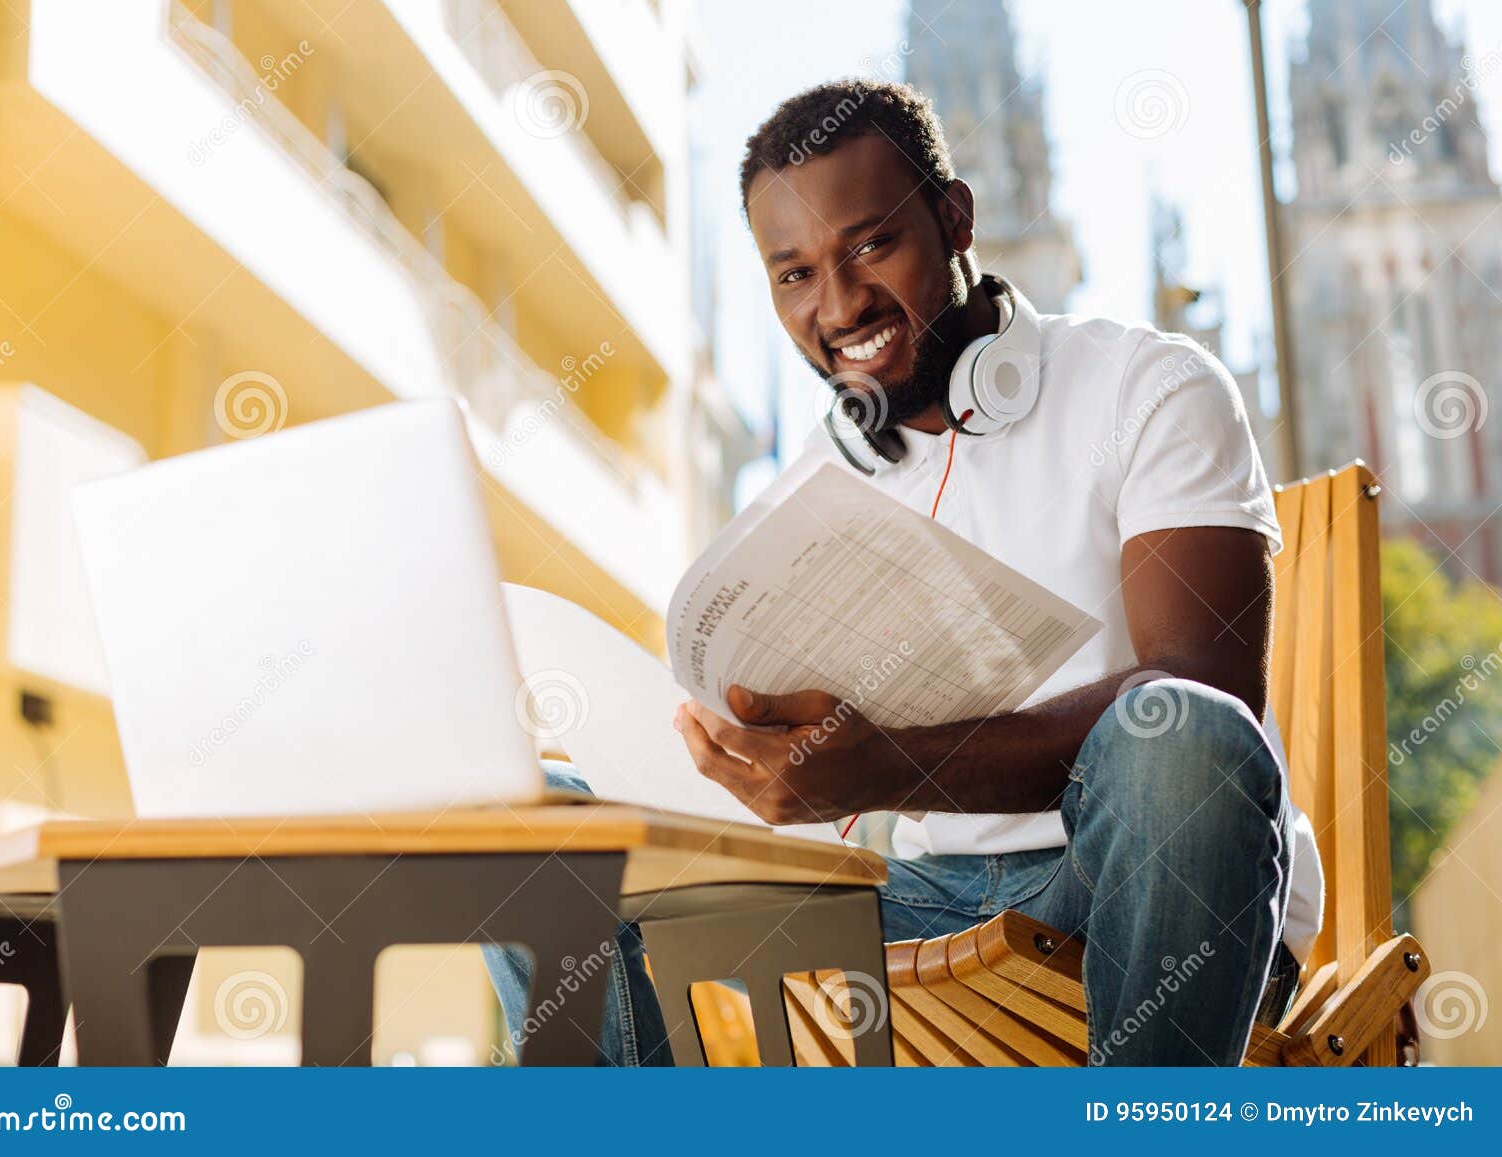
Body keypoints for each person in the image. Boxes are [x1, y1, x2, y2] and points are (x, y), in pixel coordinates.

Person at [485, 78, 1323, 1067]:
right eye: (794, 274)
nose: (837, 305)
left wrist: (892, 762)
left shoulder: (1148, 386)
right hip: (913, 906)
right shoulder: (811, 487)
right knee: (535, 821)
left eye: (869, 246)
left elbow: (1203, 693)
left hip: (1123, 893)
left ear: (953, 216)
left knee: (1182, 734)